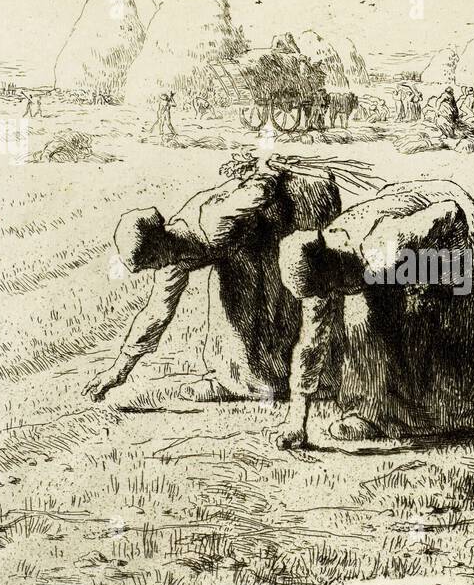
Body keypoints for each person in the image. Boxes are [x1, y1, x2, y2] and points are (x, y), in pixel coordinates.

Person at [273, 180, 474, 448]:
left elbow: (451, 213)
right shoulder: (326, 273)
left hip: (454, 225)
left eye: (332, 286)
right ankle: (373, 415)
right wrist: (297, 420)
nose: (331, 295)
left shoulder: (383, 242)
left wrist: (443, 278)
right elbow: (311, 343)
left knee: (451, 317)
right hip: (407, 230)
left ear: (334, 261)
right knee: (362, 315)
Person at [84, 156, 343, 404]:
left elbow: (260, 191)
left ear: (159, 244)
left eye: (151, 261)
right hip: (248, 249)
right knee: (233, 305)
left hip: (290, 218)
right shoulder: (174, 257)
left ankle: (313, 380)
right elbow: (156, 314)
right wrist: (119, 370)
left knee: (285, 299)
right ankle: (239, 382)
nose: (155, 268)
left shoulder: (209, 219)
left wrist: (264, 167)